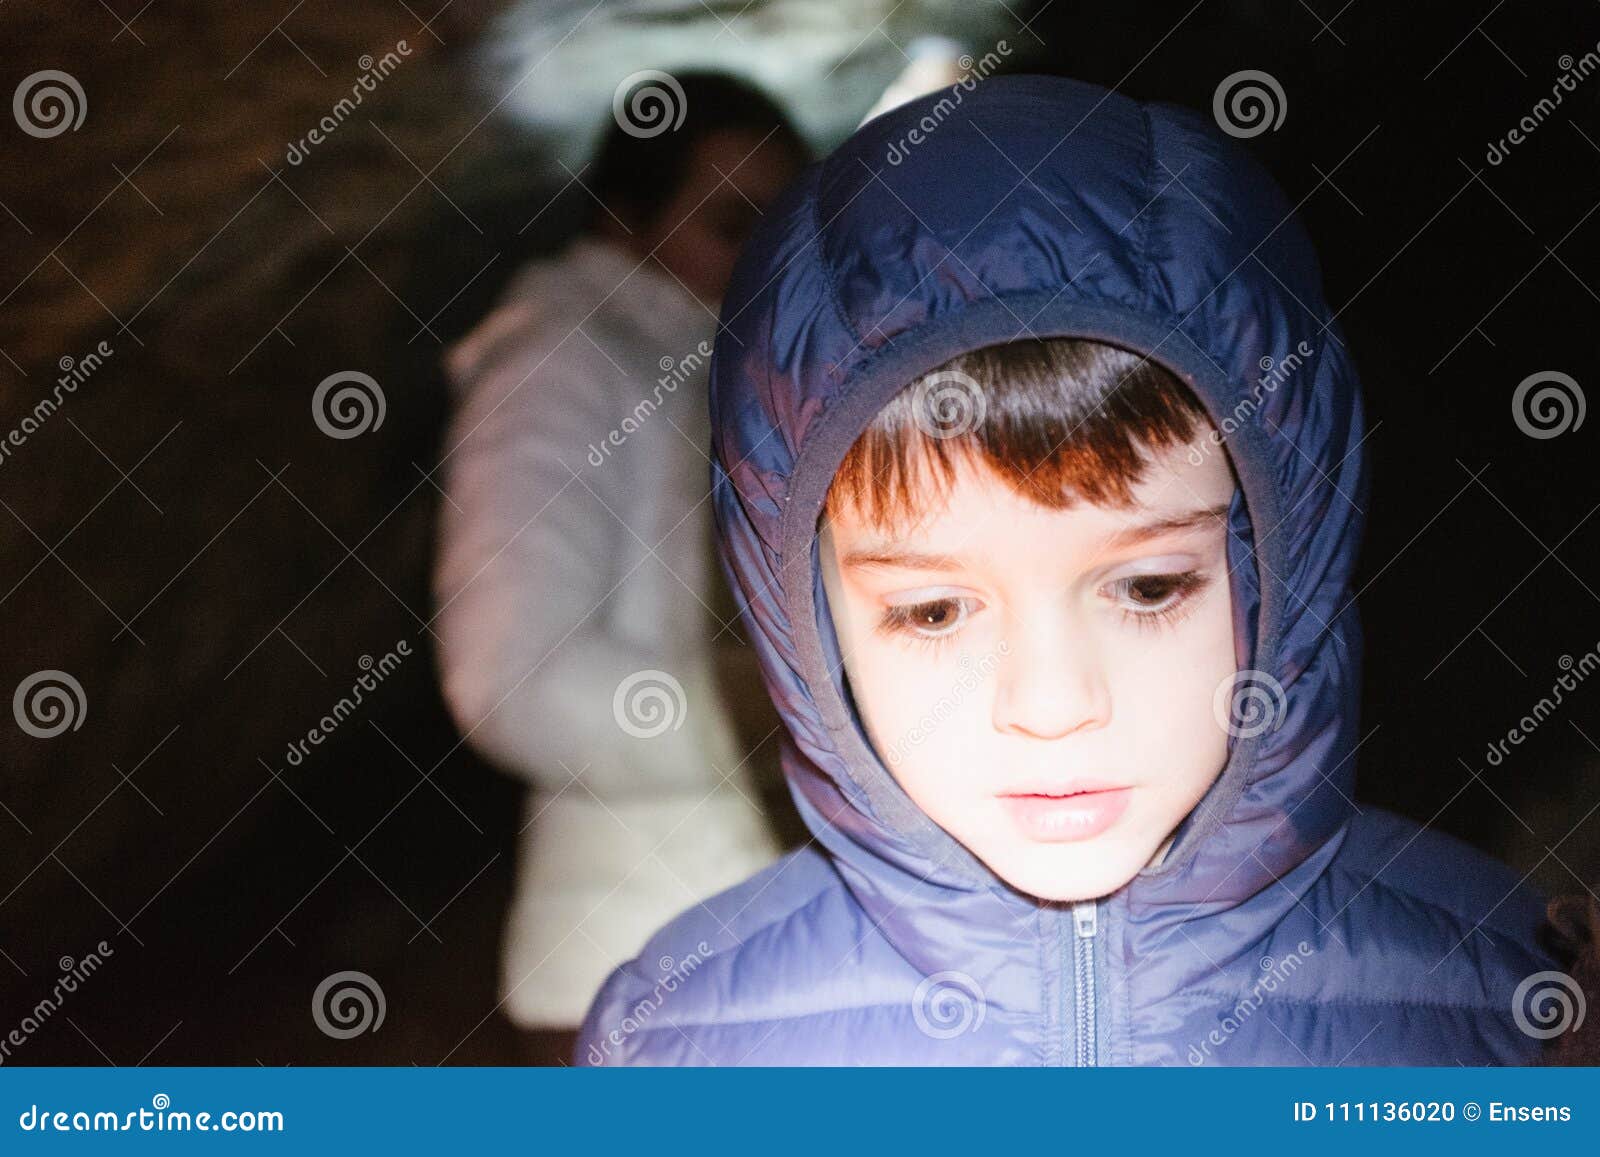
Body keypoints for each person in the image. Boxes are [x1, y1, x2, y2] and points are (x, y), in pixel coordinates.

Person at [575, 73, 1558, 1065]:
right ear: (805, 619)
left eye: (1146, 587)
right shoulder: (672, 1045)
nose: (1051, 705)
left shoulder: (1516, 1003)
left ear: (1279, 560)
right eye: (930, 610)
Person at [432, 72, 808, 1062]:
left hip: (744, 945)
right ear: (624, 217)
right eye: (730, 222)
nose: (759, 253)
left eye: (781, 222)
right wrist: (786, 714)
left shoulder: (708, 354)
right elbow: (511, 677)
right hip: (634, 966)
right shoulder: (565, 358)